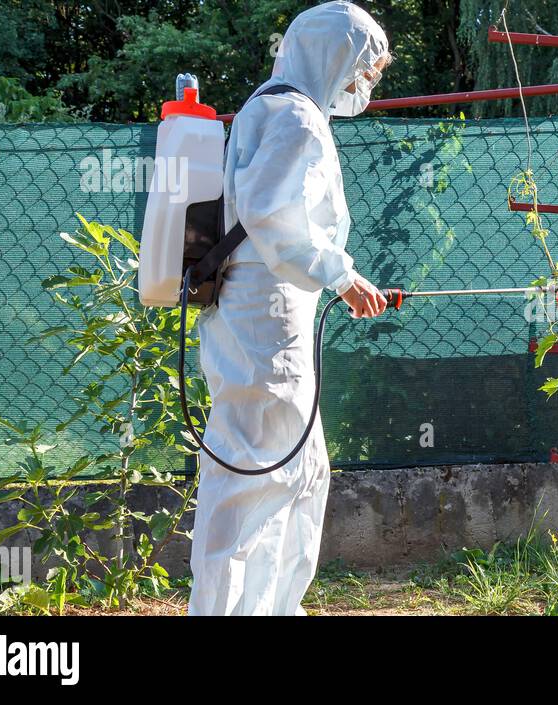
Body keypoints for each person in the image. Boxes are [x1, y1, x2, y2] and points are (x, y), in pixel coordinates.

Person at [187, 1, 391, 616]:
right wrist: (342, 276)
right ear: (335, 55)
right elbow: (273, 215)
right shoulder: (295, 117)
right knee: (257, 477)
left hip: (269, 315)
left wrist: (333, 276)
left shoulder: (270, 106)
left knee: (294, 474)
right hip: (266, 320)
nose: (364, 84)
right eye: (364, 68)